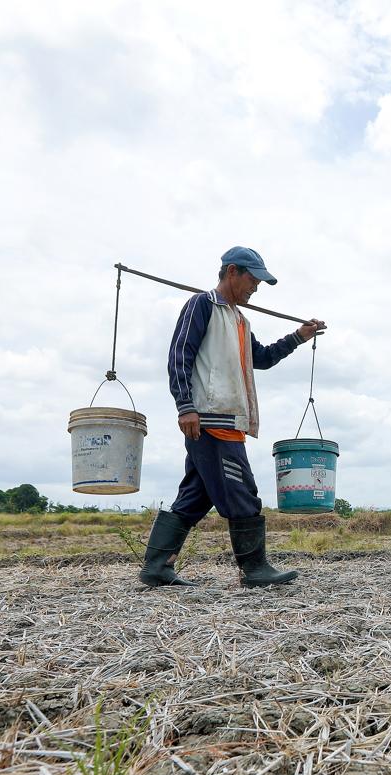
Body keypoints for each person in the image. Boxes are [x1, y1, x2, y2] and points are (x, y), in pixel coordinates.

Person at [139, 246, 327, 588]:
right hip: (211, 420)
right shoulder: (202, 305)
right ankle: (254, 569)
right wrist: (185, 406)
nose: (255, 288)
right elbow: (179, 355)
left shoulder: (240, 320)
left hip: (229, 421)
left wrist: (299, 337)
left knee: (194, 497)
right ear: (231, 272)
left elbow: (263, 358)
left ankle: (157, 567)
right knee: (243, 492)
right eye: (252, 280)